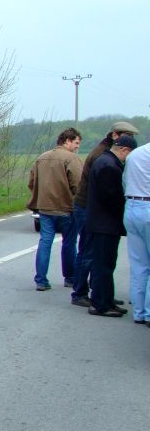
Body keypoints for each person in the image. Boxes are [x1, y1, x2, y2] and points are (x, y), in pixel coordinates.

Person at [72, 121, 140, 306]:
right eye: (127, 136)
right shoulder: (102, 155)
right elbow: (106, 191)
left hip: (91, 205)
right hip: (88, 205)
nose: (130, 140)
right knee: (89, 251)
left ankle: (100, 293)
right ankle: (80, 292)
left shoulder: (107, 152)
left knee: (98, 254)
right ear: (115, 135)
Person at [86, 134, 137, 317]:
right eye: (129, 154)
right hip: (105, 223)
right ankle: (101, 304)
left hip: (101, 222)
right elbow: (111, 198)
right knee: (103, 265)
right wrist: (123, 213)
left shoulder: (105, 161)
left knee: (106, 264)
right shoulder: (109, 165)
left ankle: (106, 299)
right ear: (124, 150)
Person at [27, 127, 83, 291]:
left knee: (45, 242)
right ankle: (70, 277)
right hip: (67, 208)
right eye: (76, 143)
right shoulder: (72, 159)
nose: (78, 146)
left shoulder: (41, 158)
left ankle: (41, 280)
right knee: (69, 243)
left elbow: (31, 182)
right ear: (67, 141)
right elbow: (79, 184)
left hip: (44, 209)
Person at [123, 140, 150, 326]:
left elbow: (125, 181)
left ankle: (139, 312)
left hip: (131, 206)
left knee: (138, 264)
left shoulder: (135, 154)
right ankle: (149, 313)